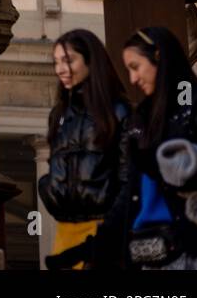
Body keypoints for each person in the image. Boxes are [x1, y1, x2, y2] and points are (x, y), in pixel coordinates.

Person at [96, 27, 197, 270]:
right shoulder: (140, 119)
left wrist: (169, 165)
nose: (133, 79)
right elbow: (129, 191)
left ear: (159, 56)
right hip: (148, 252)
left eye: (135, 67)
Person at [38, 30, 130, 269]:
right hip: (65, 231)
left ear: (91, 61)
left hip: (102, 232)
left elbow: (128, 177)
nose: (60, 69)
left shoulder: (118, 111)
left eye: (68, 60)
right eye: (56, 62)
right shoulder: (58, 114)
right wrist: (49, 188)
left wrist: (112, 226)